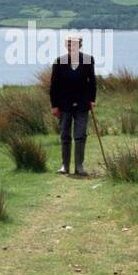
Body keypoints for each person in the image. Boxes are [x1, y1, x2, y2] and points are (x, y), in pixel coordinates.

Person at [48, 34, 97, 176]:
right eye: (69, 44)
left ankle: (79, 167)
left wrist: (92, 100)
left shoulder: (88, 60)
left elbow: (92, 82)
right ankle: (65, 166)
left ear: (80, 45)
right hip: (64, 104)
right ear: (66, 45)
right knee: (65, 135)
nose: (71, 47)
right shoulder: (59, 61)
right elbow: (54, 85)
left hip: (82, 104)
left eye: (74, 44)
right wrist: (54, 105)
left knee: (80, 135)